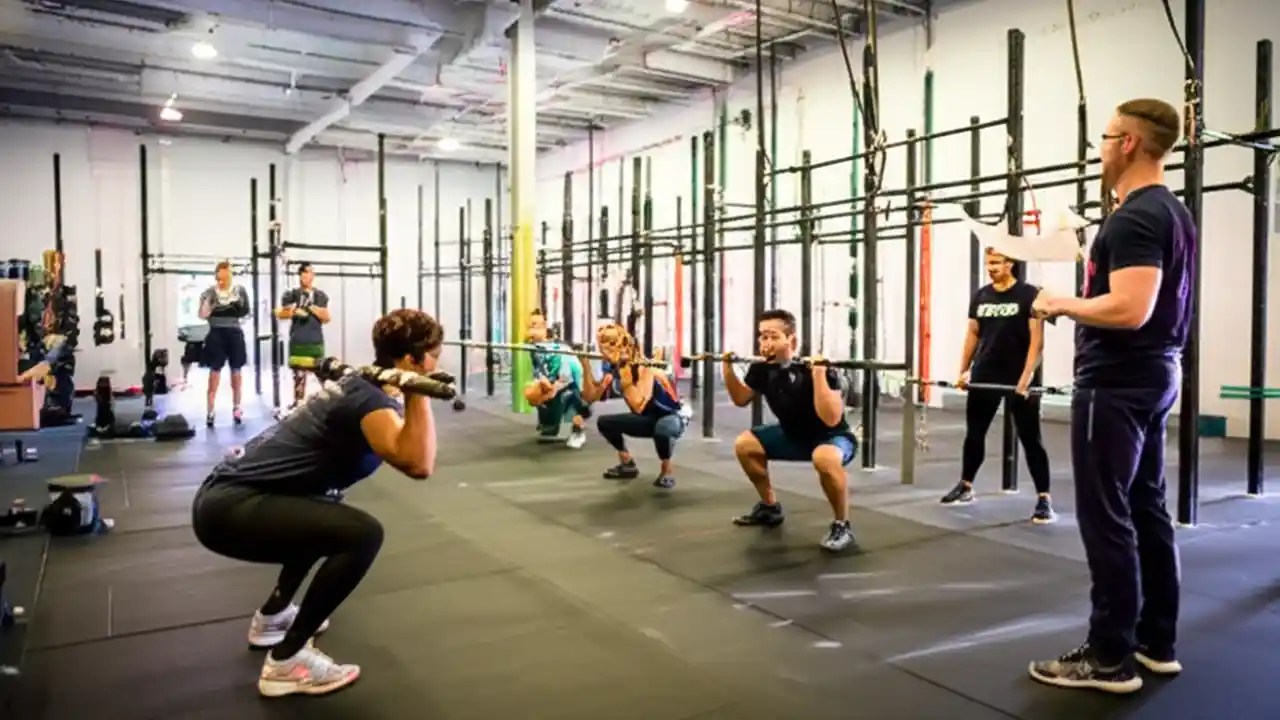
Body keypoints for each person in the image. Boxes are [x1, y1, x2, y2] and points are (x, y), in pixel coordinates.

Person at [1027, 98, 1193, 694]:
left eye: (1105, 138)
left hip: (1118, 382)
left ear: (1127, 143)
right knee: (1145, 506)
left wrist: (1060, 302)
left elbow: (1130, 308)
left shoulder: (1136, 218)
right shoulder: (1171, 212)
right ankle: (1155, 642)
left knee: (1107, 516)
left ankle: (1107, 658)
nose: (1098, 150)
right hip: (1154, 373)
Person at [191, 308, 442, 698]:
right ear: (413, 360)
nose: (437, 363)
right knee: (362, 535)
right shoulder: (370, 400)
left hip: (225, 500)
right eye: (434, 356)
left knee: (324, 509)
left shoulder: (360, 385)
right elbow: (419, 463)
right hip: (229, 510)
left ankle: (273, 617)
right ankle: (287, 660)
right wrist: (419, 391)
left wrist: (410, 388)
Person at [723, 309, 858, 552]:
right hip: (792, 435)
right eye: (763, 337)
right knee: (745, 444)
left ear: (791, 341)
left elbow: (831, 419)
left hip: (831, 437)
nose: (766, 343)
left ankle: (842, 525)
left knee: (824, 458)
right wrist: (727, 369)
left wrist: (819, 374)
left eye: (773, 337)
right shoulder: (761, 369)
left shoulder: (820, 370)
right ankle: (769, 508)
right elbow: (741, 399)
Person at [941, 249, 1055, 524]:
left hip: (1018, 375)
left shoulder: (1029, 295)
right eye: (987, 263)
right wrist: (963, 370)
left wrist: (1026, 376)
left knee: (1030, 438)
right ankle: (966, 485)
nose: (990, 268)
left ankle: (1044, 498)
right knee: (974, 433)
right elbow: (972, 334)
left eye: (995, 263)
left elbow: (1036, 341)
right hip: (985, 372)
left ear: (1010, 263)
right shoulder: (981, 295)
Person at [580, 324, 686, 489]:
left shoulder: (647, 369)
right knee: (605, 422)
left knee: (662, 430)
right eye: (603, 345)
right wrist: (585, 367)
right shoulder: (615, 370)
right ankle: (627, 463)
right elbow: (590, 397)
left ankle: (667, 470)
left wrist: (624, 375)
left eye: (612, 344)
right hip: (646, 420)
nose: (606, 350)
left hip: (671, 419)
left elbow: (638, 405)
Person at [524, 309, 589, 448]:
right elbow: (538, 369)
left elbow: (567, 373)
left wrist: (554, 389)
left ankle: (578, 430)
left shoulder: (557, 348)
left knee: (569, 400)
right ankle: (549, 426)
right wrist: (541, 385)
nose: (530, 330)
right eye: (529, 326)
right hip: (552, 379)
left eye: (534, 326)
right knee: (542, 397)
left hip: (569, 381)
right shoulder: (534, 349)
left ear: (544, 327)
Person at [199, 260, 251, 427]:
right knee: (214, 372)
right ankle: (210, 411)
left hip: (234, 333)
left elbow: (245, 311)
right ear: (217, 275)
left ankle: (237, 407)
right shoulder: (209, 293)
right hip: (216, 333)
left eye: (227, 274)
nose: (224, 278)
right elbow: (203, 314)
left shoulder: (239, 291)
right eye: (221, 275)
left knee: (236, 371)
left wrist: (233, 306)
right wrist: (209, 303)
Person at [275, 263, 332, 408]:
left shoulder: (320, 296)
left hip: (315, 342)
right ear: (300, 275)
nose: (306, 276)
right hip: (298, 341)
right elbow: (280, 313)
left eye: (310, 272)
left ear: (313, 276)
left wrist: (310, 306)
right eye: (304, 273)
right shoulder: (292, 295)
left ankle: (330, 404)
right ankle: (298, 404)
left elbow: (326, 317)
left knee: (323, 375)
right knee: (299, 376)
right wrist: (294, 310)